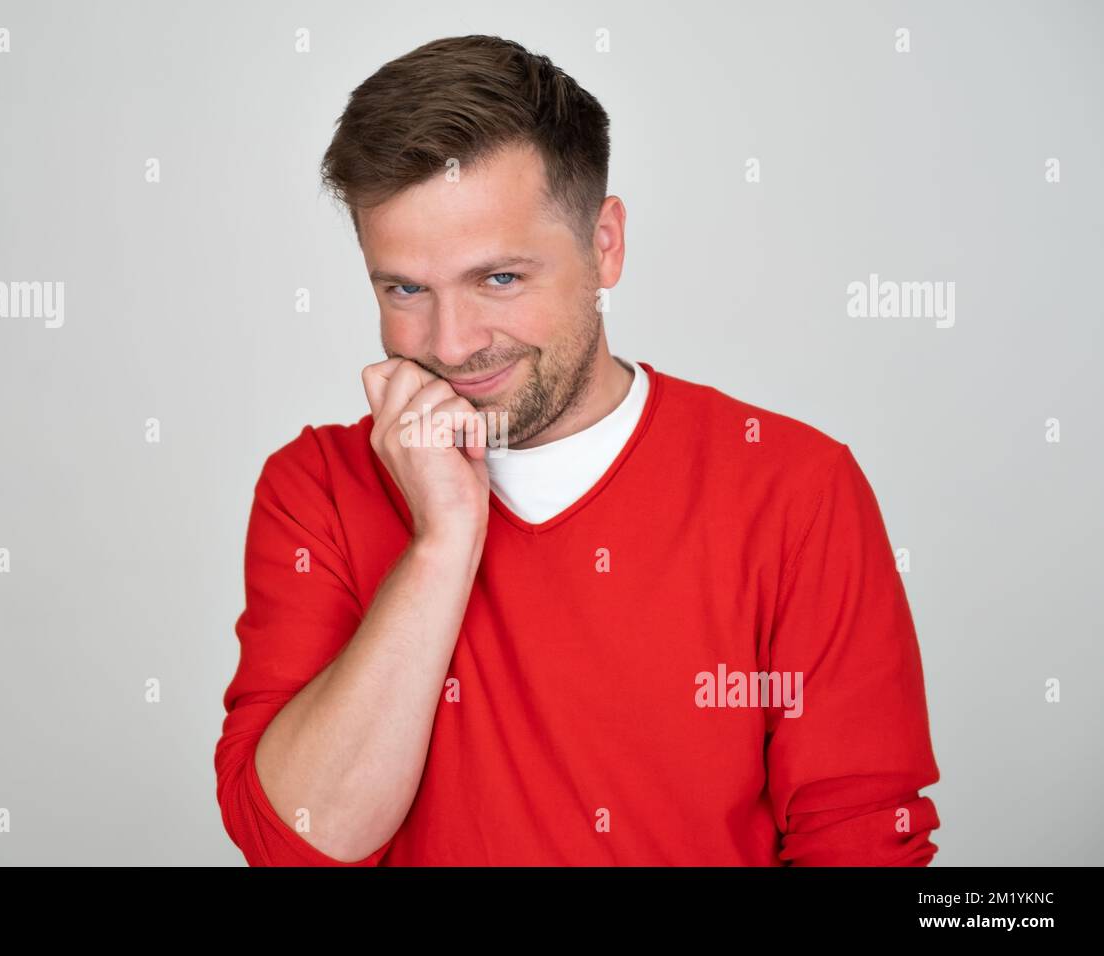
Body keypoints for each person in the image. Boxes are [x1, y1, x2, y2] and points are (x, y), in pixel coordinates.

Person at [213, 34, 941, 865]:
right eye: (405, 289)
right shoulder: (316, 488)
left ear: (605, 246)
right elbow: (298, 842)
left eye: (500, 280)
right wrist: (441, 543)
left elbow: (860, 841)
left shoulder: (795, 490)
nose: (451, 346)